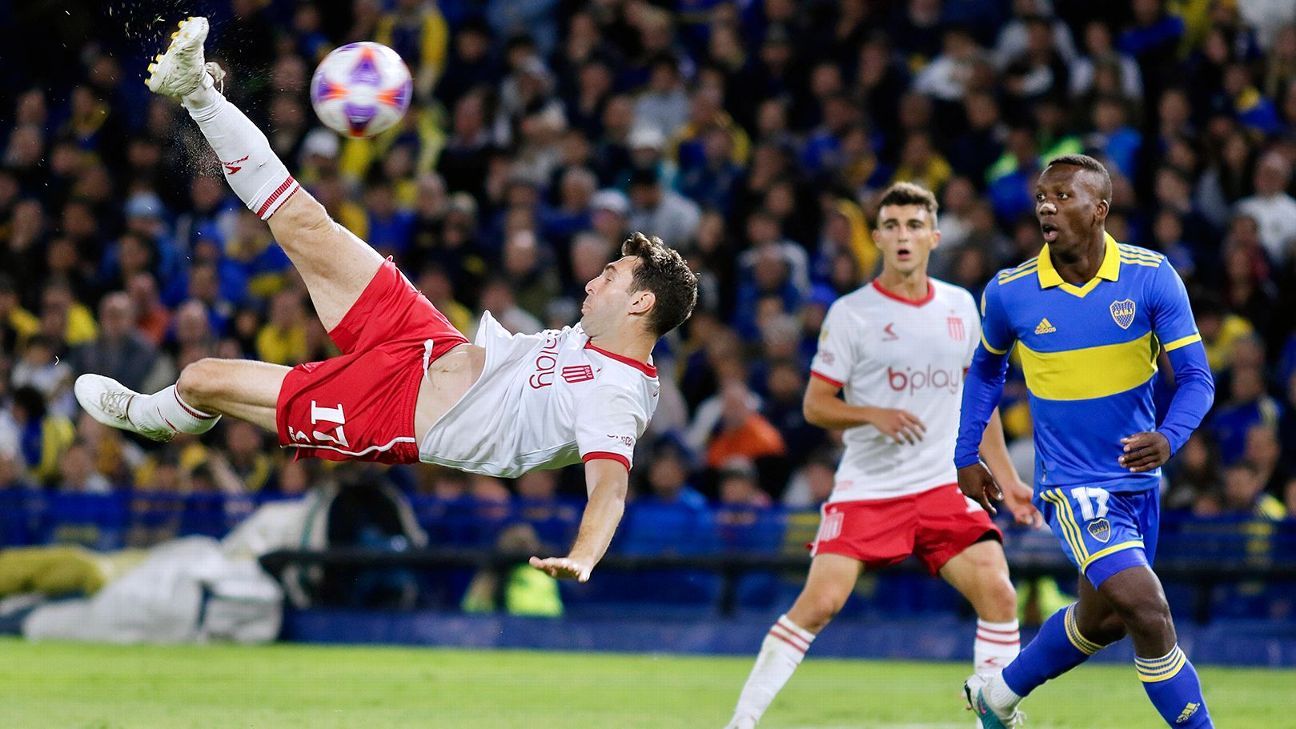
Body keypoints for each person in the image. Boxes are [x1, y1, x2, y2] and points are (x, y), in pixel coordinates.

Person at [73, 18, 698, 584]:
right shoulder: (593, 336)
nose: (592, 282)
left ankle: (152, 417)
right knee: (305, 221)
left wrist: (584, 555)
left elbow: (610, 490)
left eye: (611, 277)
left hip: (395, 412)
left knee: (202, 378)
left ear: (641, 304)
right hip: (428, 341)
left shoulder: (617, 396)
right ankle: (197, 94)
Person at [724, 182, 1039, 729]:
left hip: (942, 486)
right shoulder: (852, 313)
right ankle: (741, 722)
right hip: (870, 488)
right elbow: (815, 404)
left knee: (998, 591)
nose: (903, 236)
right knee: (819, 604)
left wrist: (1007, 478)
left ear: (934, 237)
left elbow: (979, 404)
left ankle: (992, 716)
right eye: (892, 226)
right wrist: (872, 413)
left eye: (914, 225)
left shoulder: (960, 306)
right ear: (876, 238)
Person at [956, 155, 1215, 728]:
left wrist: (1169, 437)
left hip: (1140, 483)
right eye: (1041, 197)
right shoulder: (1011, 291)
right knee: (1148, 611)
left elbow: (1198, 378)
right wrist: (966, 453)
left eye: (1063, 196)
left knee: (1104, 621)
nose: (1047, 207)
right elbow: (986, 370)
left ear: (1099, 210)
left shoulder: (1151, 276)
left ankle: (997, 695)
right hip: (1076, 486)